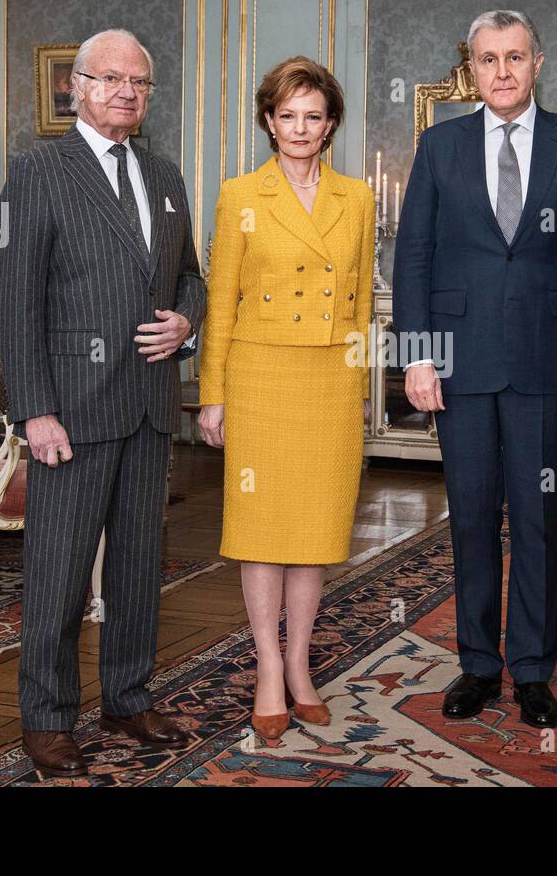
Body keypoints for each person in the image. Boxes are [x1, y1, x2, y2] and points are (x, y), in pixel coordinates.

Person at [0, 28, 206, 778]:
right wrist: (35, 410)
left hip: (149, 404)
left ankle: (128, 697)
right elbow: (16, 301)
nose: (127, 92)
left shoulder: (165, 174)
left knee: (138, 571)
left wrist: (185, 322)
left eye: (139, 82)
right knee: (58, 573)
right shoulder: (37, 172)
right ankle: (47, 717)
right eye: (111, 78)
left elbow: (191, 277)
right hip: (71, 412)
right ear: (77, 88)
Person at [392, 10, 557, 729]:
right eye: (488, 59)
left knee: (538, 518)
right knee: (471, 518)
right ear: (472, 69)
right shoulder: (440, 145)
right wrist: (418, 354)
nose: (502, 71)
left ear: (537, 62)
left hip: (546, 363)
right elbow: (414, 253)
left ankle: (534, 669)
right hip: (458, 362)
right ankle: (479, 664)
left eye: (515, 57)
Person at [197, 56, 374, 742]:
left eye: (313, 116)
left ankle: (300, 664)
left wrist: (360, 389)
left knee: (314, 533)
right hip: (260, 376)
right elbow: (221, 302)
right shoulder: (240, 194)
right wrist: (213, 394)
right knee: (262, 530)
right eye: (288, 115)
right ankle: (268, 667)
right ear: (270, 122)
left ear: (330, 125)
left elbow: (360, 306)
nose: (300, 128)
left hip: (329, 378)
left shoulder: (357, 198)